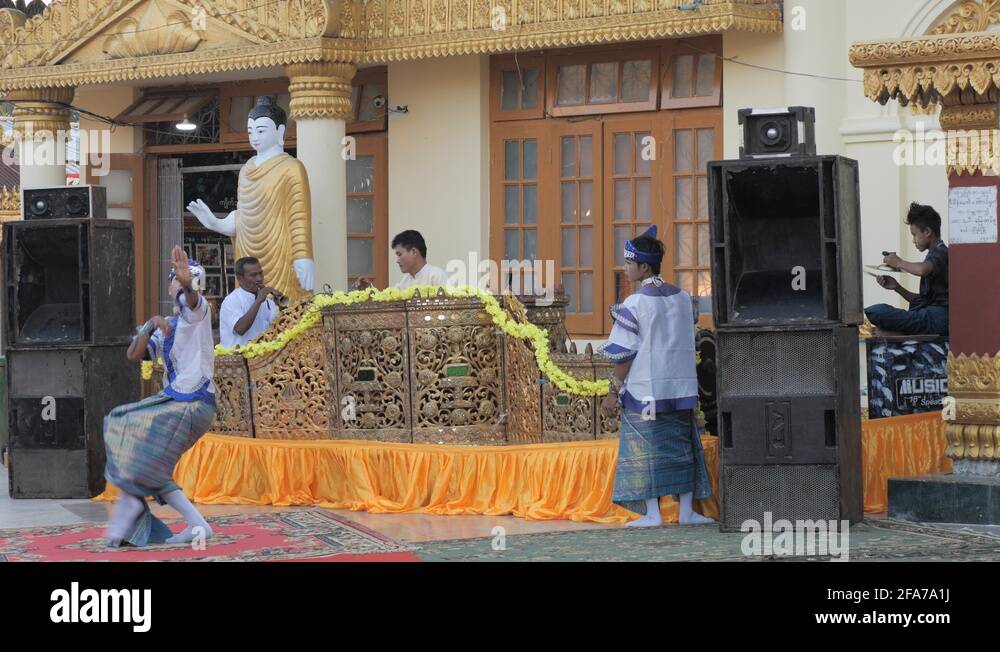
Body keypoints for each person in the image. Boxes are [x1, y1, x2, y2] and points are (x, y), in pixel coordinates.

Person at [600, 225, 714, 528]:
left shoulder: (635, 303)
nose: (625, 269)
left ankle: (653, 514)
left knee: (645, 451)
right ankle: (687, 511)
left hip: (644, 390)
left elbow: (624, 353)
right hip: (679, 388)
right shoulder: (682, 298)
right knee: (682, 448)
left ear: (644, 266)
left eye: (628, 263)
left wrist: (614, 390)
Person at [102, 246, 217, 547]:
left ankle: (138, 513)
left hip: (192, 402)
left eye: (180, 279)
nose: (176, 284)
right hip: (177, 402)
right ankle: (197, 525)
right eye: (175, 279)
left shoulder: (199, 314)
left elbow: (192, 300)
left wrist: (189, 286)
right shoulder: (167, 324)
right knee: (144, 457)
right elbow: (134, 354)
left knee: (120, 421)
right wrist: (151, 324)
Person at [187, 96, 315, 302]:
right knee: (249, 309)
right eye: (250, 131)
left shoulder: (292, 168)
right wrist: (215, 223)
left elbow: (298, 217)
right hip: (248, 250)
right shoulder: (246, 170)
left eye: (261, 130)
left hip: (280, 250)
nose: (254, 136)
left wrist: (303, 255)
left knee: (283, 309)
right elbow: (243, 217)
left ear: (280, 132)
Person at [865, 202, 949, 336]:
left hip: (939, 319)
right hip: (930, 314)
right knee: (878, 312)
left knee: (877, 312)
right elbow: (922, 301)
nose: (913, 240)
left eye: (914, 234)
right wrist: (897, 287)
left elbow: (923, 270)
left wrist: (898, 262)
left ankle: (898, 333)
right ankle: (898, 332)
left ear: (927, 232)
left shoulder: (941, 252)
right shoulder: (933, 253)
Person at [355, 230, 453, 290]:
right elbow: (388, 303)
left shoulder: (436, 276)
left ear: (414, 252)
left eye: (399, 254)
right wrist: (369, 290)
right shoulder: (405, 281)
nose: (397, 260)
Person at [219, 257, 283, 349]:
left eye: (260, 273)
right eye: (253, 275)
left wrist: (282, 306)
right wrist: (258, 301)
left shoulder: (269, 302)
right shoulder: (231, 300)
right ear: (240, 279)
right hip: (238, 360)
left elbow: (278, 328)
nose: (259, 278)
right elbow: (240, 329)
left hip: (262, 358)